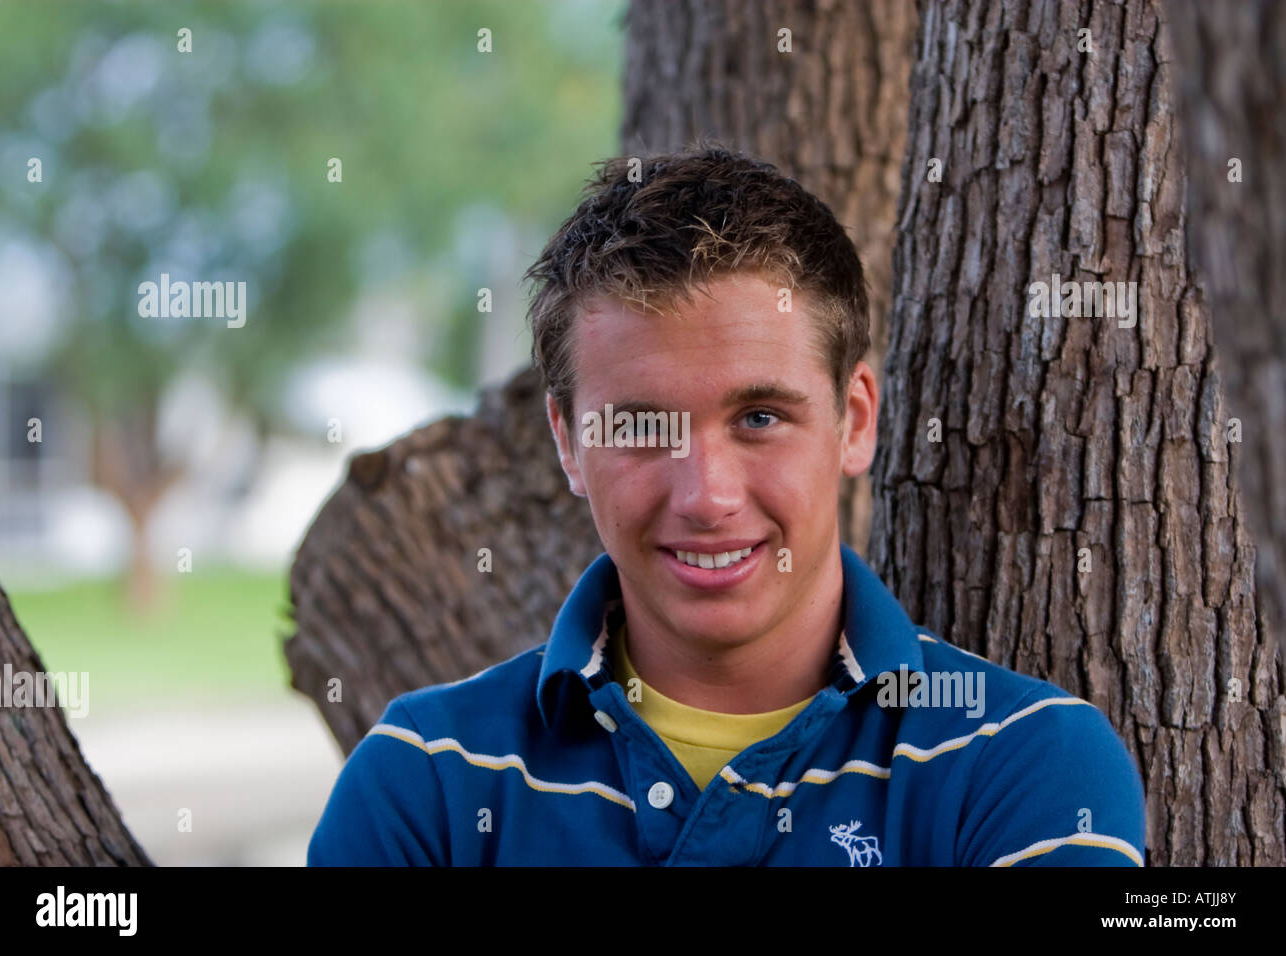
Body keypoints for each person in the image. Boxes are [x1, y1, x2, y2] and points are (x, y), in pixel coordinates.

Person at [307, 142, 1146, 866]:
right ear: (567, 442)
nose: (707, 496)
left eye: (760, 418)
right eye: (642, 427)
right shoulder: (427, 780)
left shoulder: (1026, 764)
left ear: (854, 421)